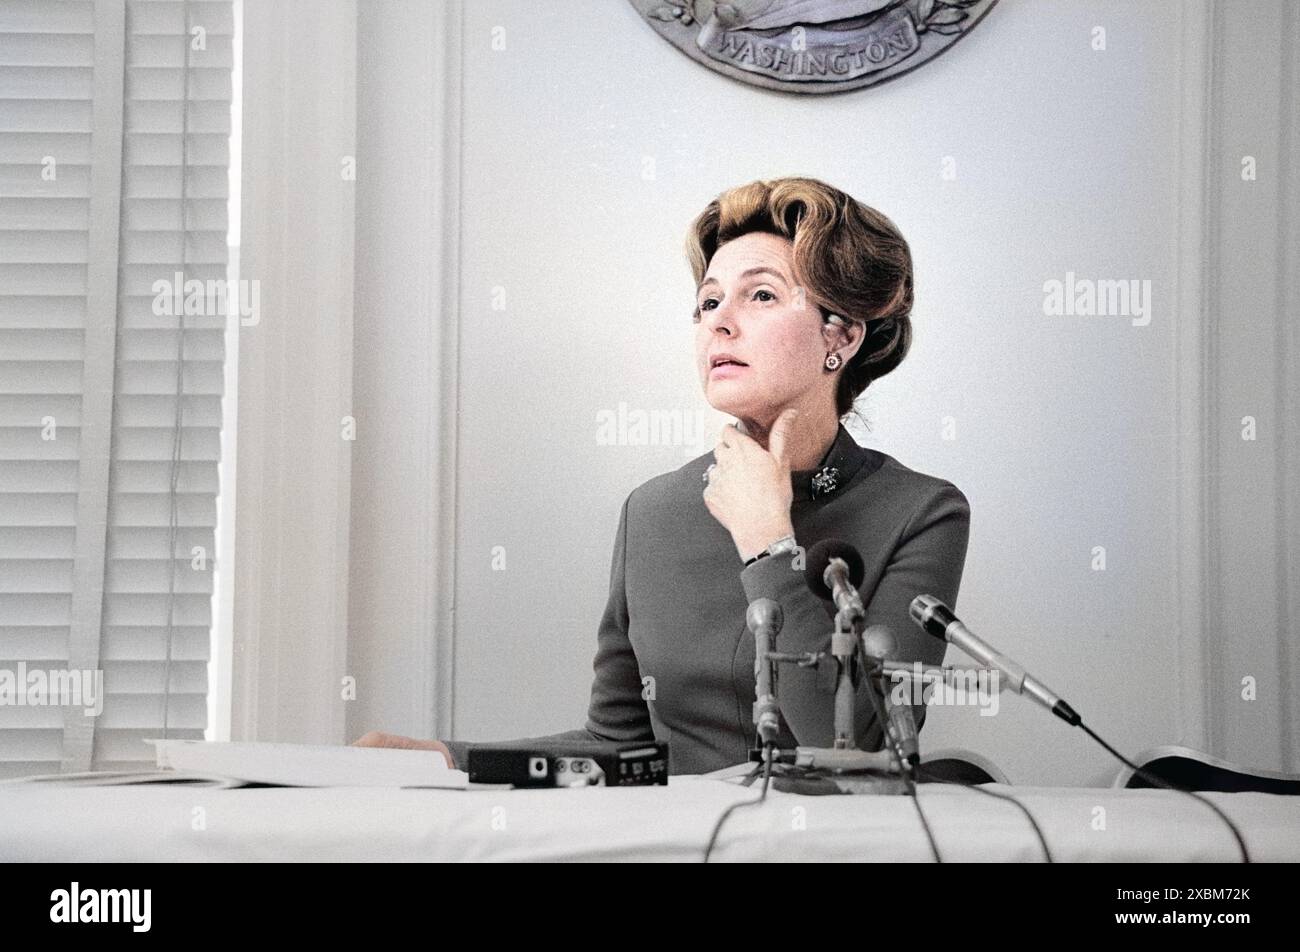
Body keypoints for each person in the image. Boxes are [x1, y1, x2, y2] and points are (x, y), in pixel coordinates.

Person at [355, 176, 971, 775]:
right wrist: (450, 760)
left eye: (761, 295)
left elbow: (865, 744)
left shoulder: (923, 511)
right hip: (678, 835)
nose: (719, 323)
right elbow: (617, 745)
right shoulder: (653, 511)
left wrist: (768, 541)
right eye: (709, 302)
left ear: (843, 335)